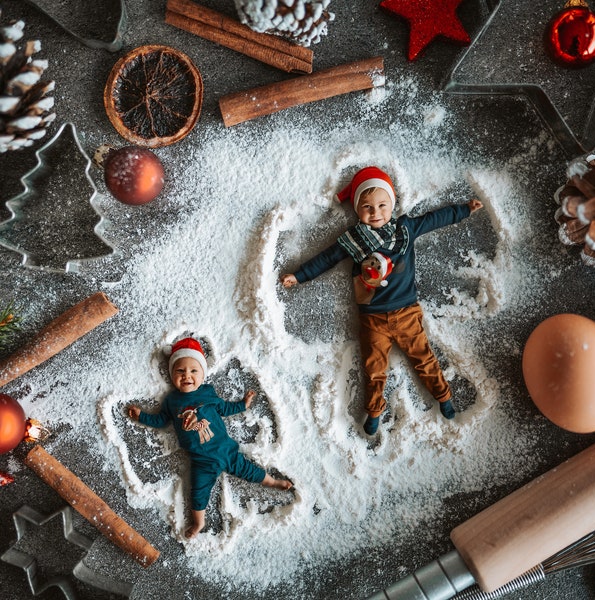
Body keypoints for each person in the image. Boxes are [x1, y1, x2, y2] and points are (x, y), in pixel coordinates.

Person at [280, 166, 483, 435]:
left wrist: (464, 209)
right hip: (372, 318)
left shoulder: (405, 229)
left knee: (424, 358)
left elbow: (436, 219)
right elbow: (326, 258)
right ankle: (374, 411)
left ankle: (444, 396)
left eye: (381, 205)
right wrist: (300, 275)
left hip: (406, 312)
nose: (375, 213)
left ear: (392, 203)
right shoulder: (353, 240)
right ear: (357, 209)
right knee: (374, 368)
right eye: (367, 207)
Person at [128, 337, 293, 538]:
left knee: (250, 470)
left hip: (226, 450)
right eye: (180, 371)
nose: (186, 375)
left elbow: (224, 408)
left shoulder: (207, 393)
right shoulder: (172, 401)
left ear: (202, 374)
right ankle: (199, 522)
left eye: (193, 371)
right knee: (197, 493)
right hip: (201, 460)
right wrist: (142, 416)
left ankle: (272, 482)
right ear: (172, 374)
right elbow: (162, 420)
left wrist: (243, 404)